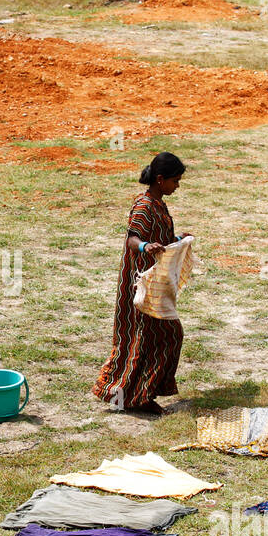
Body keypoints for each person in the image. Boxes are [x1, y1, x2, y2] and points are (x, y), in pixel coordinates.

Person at [92, 151, 189, 416]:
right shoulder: (144, 205)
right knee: (149, 337)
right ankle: (134, 395)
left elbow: (161, 237)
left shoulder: (158, 203)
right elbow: (132, 239)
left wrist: (179, 238)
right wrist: (146, 247)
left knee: (160, 336)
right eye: (175, 180)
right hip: (139, 284)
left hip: (153, 283)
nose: (177, 185)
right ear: (160, 179)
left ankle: (139, 394)